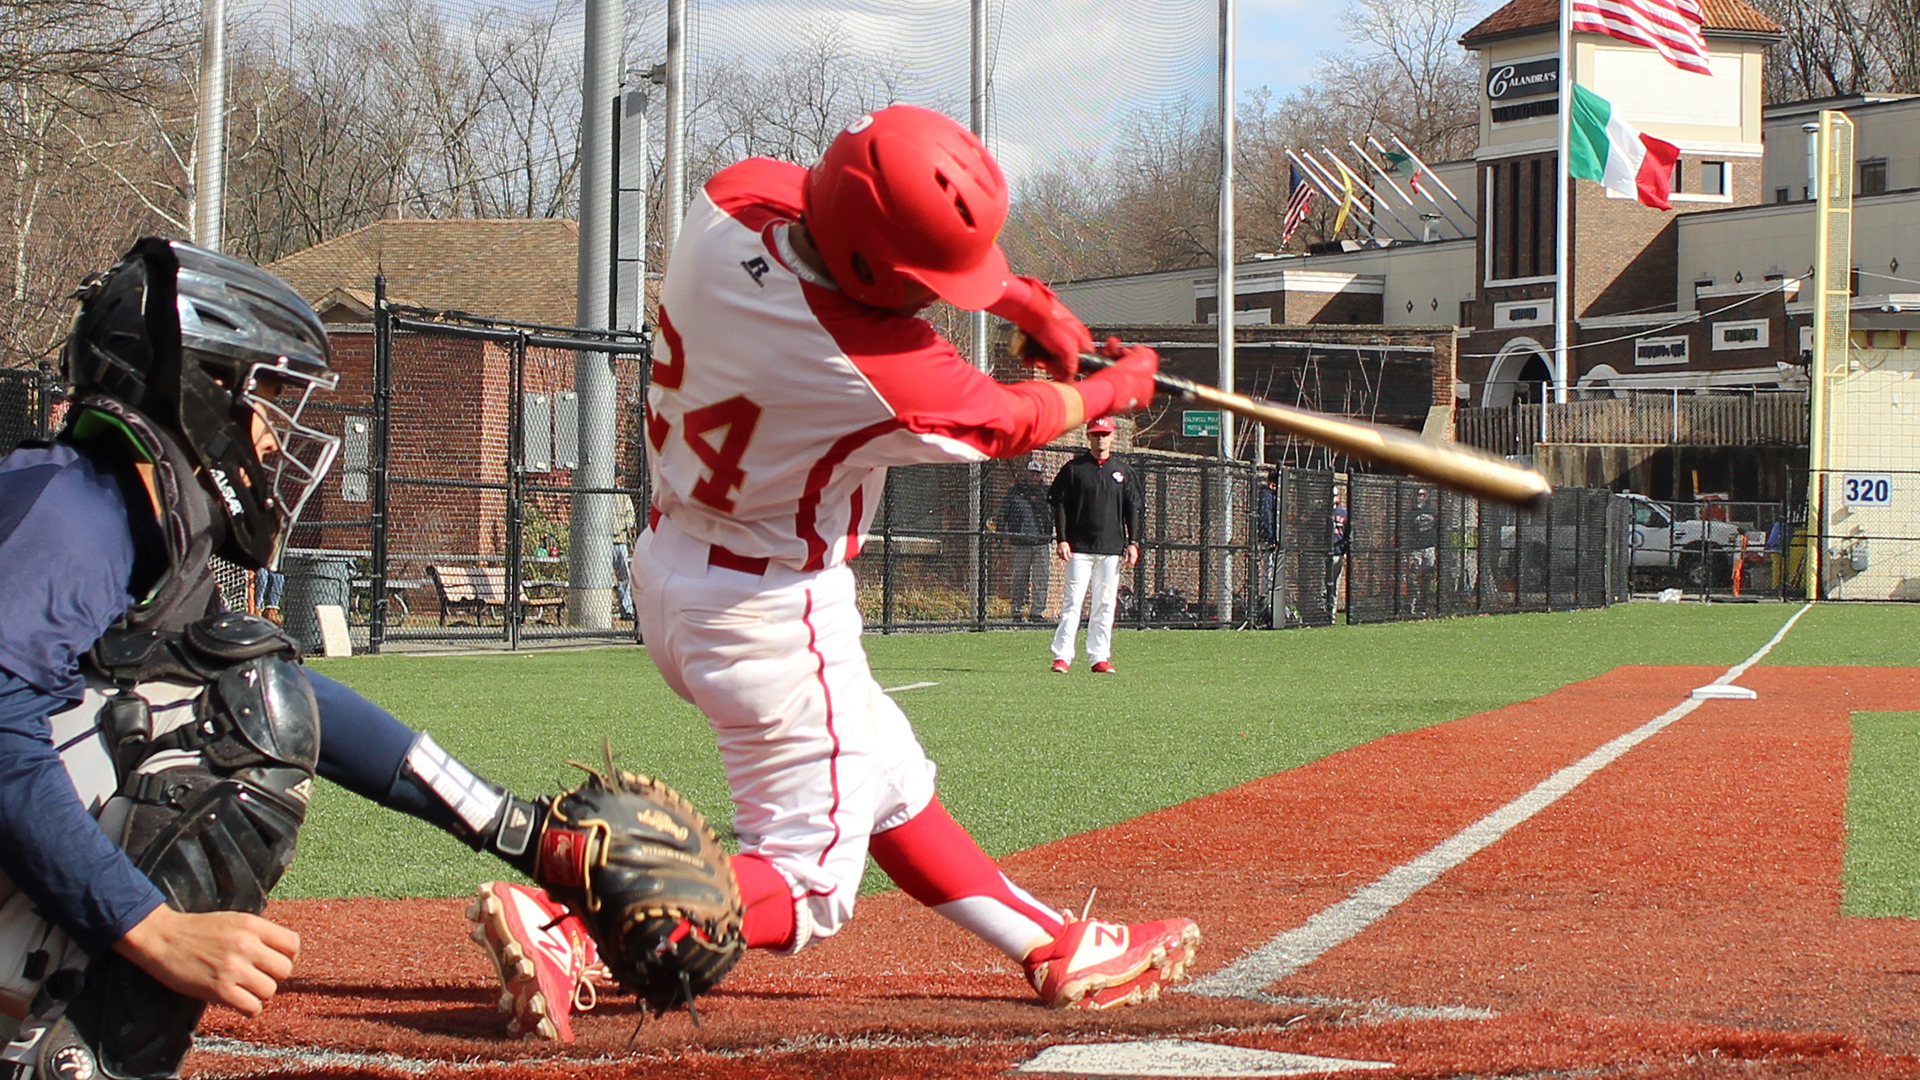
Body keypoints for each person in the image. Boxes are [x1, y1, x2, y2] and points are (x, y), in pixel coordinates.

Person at [626, 105, 1195, 1015]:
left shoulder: (732, 200)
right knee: (810, 883)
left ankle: (1052, 948)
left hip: (673, 567)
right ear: (874, 270)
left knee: (888, 778)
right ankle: (569, 927)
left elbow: (846, 216)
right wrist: (1109, 388)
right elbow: (1011, 419)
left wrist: (1028, 301)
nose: (941, 298)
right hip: (772, 614)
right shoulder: (872, 365)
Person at [0, 239, 616, 1076]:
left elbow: (294, 694)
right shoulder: (73, 508)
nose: (270, 431)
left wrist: (523, 832)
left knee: (250, 696)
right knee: (234, 724)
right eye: (263, 397)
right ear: (200, 391)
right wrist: (153, 929)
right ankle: (68, 1051)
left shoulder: (133, 510)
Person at [1047, 417, 1141, 674]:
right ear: (1088, 437)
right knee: (1072, 602)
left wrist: (1133, 542)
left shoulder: (1123, 471)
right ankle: (1062, 657)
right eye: (1096, 434)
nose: (1101, 439)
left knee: (1105, 603)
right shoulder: (1074, 469)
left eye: (1105, 434)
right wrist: (1062, 538)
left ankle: (1099, 657)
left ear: (1113, 437)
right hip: (1079, 548)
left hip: (1111, 548)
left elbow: (1132, 507)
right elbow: (1059, 505)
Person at [993, 459, 1053, 621]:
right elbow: (1003, 514)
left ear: (1040, 475)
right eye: (1032, 473)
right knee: (1019, 578)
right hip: (1020, 542)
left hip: (1041, 543)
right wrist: (1000, 536)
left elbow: (1056, 514)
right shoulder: (1015, 492)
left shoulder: (1048, 493)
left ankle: (1037, 612)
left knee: (1041, 578)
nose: (1034, 476)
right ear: (1027, 473)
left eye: (1037, 473)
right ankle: (1017, 611)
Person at [1327, 484, 1349, 617]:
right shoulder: (1323, 512)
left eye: (1334, 496)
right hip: (1324, 554)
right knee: (1324, 585)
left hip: (1338, 553)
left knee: (1335, 584)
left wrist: (1345, 552)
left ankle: (1331, 613)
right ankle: (1322, 611)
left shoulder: (1343, 513)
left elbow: (1347, 535)